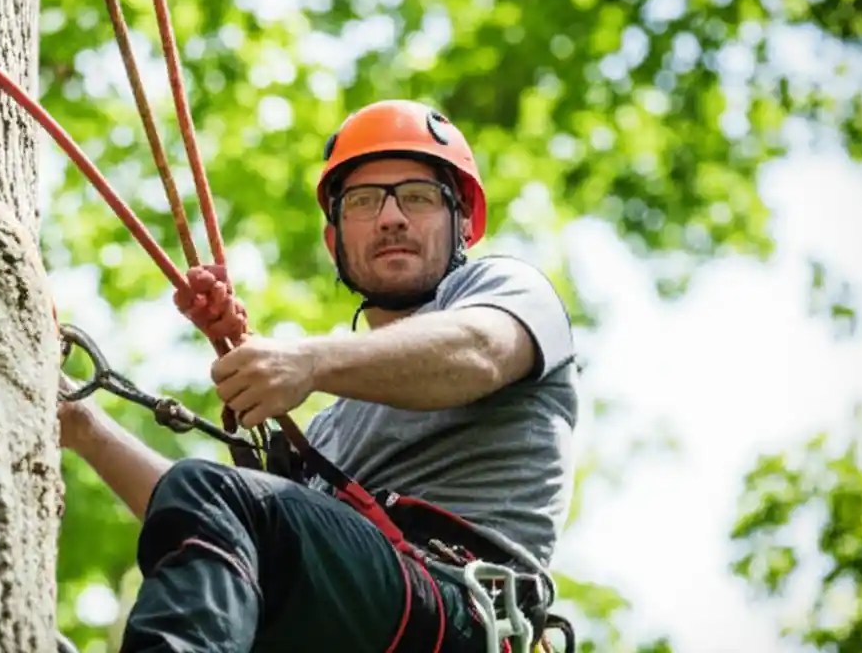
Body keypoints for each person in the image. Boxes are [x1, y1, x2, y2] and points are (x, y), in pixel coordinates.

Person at [57, 100, 579, 652]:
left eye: (419, 197)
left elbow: (480, 352)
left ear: (465, 224)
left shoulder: (509, 292)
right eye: (363, 201)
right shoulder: (330, 431)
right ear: (335, 241)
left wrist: (307, 363)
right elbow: (207, 519)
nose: (392, 217)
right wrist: (85, 428)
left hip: (456, 615)